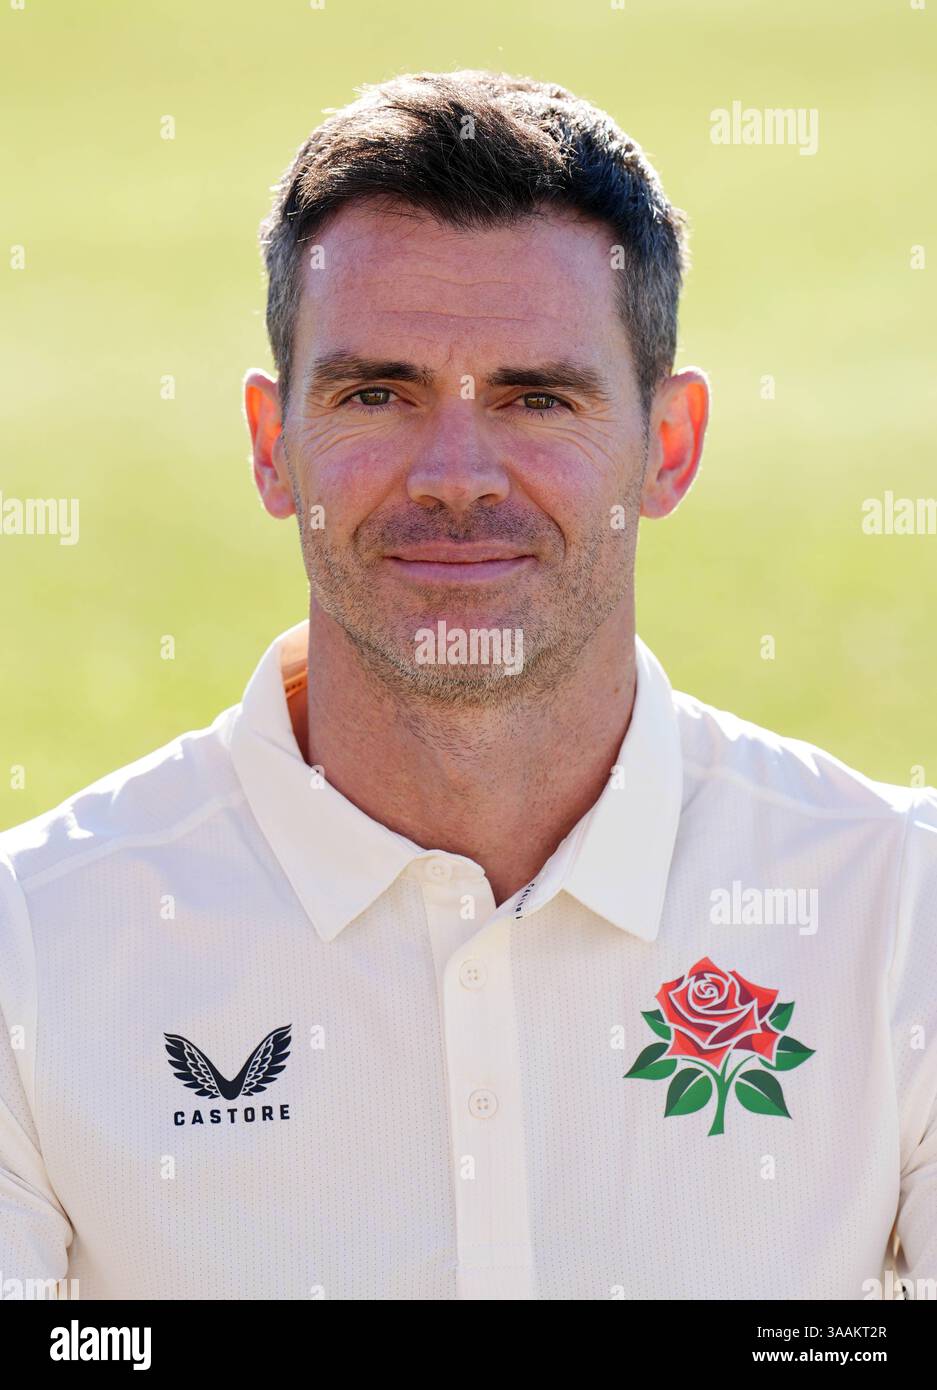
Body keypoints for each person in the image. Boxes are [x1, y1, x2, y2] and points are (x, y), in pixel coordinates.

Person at [0, 70, 933, 1301]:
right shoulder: (33, 942)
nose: (453, 474)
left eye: (534, 396)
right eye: (375, 393)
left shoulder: (900, 914)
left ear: (668, 446)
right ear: (273, 447)